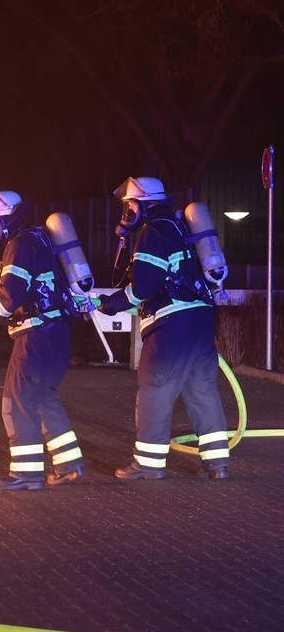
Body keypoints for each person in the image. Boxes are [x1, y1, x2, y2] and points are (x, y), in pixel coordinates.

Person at [96, 177, 230, 480]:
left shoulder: (153, 230)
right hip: (201, 321)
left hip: (171, 328)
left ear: (143, 204)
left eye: (129, 206)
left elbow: (143, 286)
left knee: (154, 390)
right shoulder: (180, 227)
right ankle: (217, 464)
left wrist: (112, 303)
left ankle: (148, 464)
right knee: (202, 392)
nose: (127, 213)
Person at [0, 189, 86, 491]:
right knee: (41, 399)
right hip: (56, 333)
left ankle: (27, 474)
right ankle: (70, 466)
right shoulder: (36, 239)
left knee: (17, 402)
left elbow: (8, 298)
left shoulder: (19, 244)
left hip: (36, 337)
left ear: (6, 220)